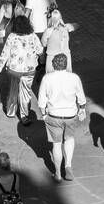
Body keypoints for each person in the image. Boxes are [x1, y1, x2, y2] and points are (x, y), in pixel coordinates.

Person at [36, 53, 86, 181]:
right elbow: (81, 98)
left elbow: (41, 100)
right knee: (69, 139)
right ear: (66, 64)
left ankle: (58, 173)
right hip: (70, 115)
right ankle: (68, 165)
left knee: (56, 144)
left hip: (53, 115)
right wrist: (82, 109)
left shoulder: (47, 78)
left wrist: (44, 114)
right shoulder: (74, 78)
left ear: (53, 64)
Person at [0, 15, 42, 123]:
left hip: (14, 70)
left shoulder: (12, 36)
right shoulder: (32, 36)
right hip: (29, 70)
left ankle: (11, 111)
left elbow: (5, 54)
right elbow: (40, 50)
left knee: (13, 89)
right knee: (26, 93)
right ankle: (24, 116)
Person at [41, 8, 75, 72]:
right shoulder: (66, 27)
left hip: (52, 57)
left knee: (51, 78)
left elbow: (43, 44)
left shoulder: (48, 31)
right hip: (66, 57)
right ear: (60, 18)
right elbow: (74, 26)